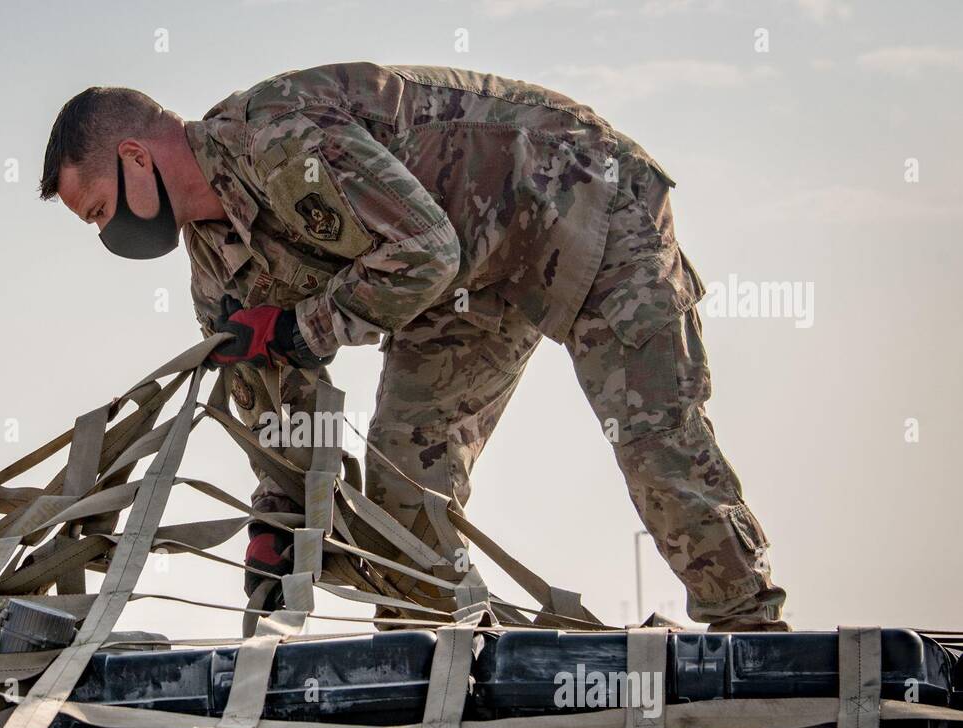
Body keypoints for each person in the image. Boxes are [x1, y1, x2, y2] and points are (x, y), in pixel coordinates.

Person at [38, 62, 788, 631]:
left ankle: (755, 642)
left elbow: (424, 250)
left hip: (578, 199)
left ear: (137, 156)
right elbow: (277, 404)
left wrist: (304, 329)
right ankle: (443, 664)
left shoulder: (279, 138)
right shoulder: (217, 269)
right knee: (403, 484)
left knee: (656, 442)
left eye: (100, 209)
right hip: (460, 284)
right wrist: (279, 519)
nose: (110, 234)